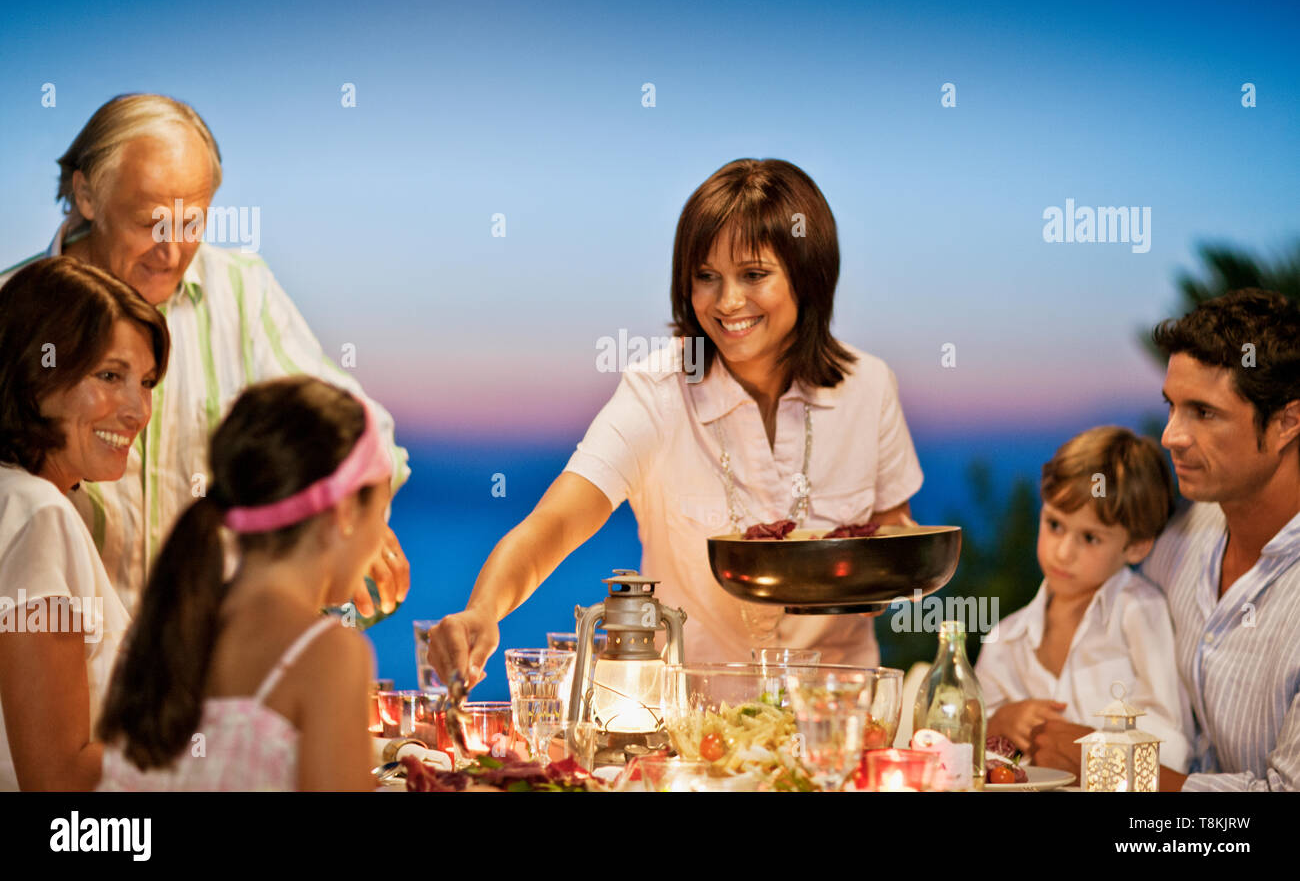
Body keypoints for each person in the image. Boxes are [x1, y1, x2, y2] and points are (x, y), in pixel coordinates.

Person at [429, 158, 924, 684]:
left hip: (841, 720)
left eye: (754, 275)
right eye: (706, 277)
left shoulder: (869, 386)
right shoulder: (657, 391)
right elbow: (555, 523)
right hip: (695, 735)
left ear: (809, 274)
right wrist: (482, 609)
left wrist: (882, 577)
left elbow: (891, 532)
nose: (728, 302)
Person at [0, 93, 410, 621]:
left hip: (211, 673)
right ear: (85, 193)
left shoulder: (241, 292)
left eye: (192, 223)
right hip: (59, 664)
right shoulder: (12, 311)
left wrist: (349, 514)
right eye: (149, 222)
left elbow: (362, 429)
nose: (172, 252)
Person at [1030, 289, 1300, 791]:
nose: (1172, 435)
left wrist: (1106, 767)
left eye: (1204, 412)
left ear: (1287, 421)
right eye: (1172, 407)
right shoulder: (1176, 539)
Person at [97, 376, 387, 791]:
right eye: (380, 509)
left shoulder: (164, 631)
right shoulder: (329, 654)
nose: (381, 536)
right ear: (343, 512)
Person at [0, 257, 169, 790]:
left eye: (144, 382)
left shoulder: (19, 501)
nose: (136, 410)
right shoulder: (39, 518)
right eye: (109, 376)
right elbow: (55, 777)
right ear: (35, 371)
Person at [975, 426, 1193, 772]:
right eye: (1055, 525)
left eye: (1090, 538)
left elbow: (1174, 747)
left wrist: (1090, 751)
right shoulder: (1005, 639)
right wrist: (999, 722)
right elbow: (966, 752)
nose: (1063, 553)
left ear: (1137, 546)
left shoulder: (1138, 613)